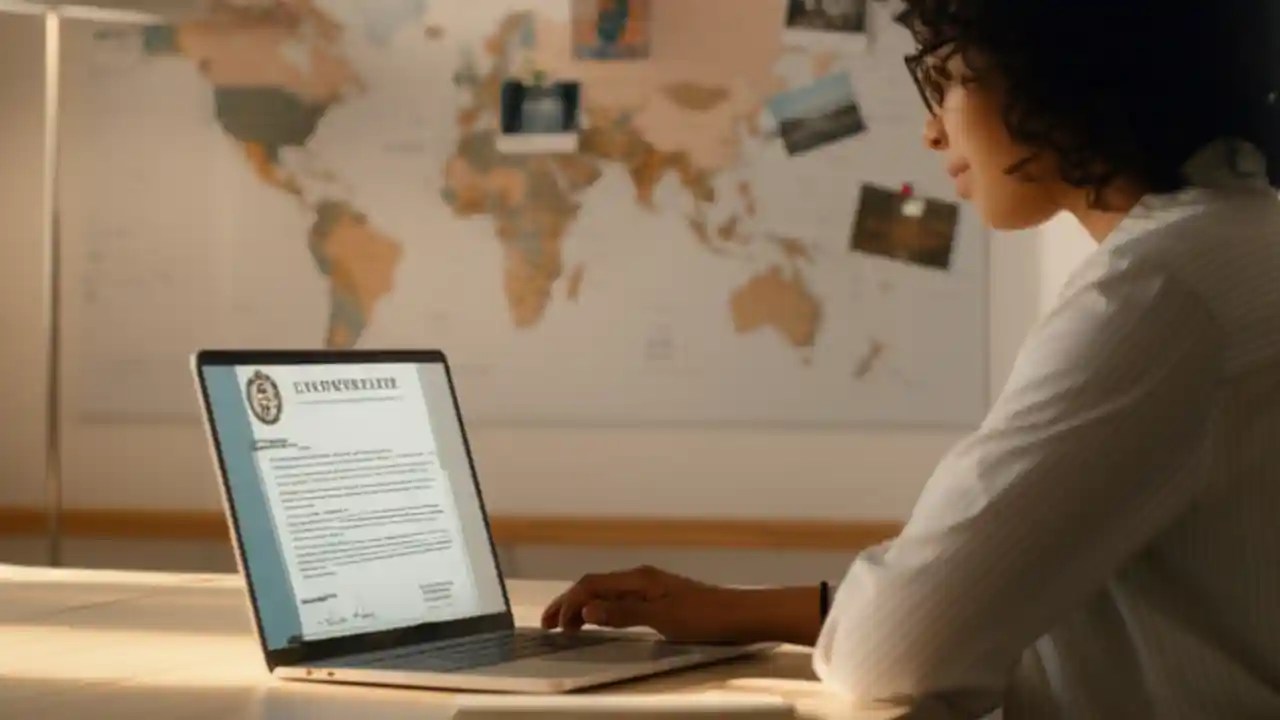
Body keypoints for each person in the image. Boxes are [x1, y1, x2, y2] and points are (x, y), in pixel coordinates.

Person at [541, 1, 1280, 717]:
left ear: (1056, 70)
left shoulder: (1157, 297)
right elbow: (995, 590)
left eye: (948, 78)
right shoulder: (1242, 246)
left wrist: (837, 613)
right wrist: (739, 610)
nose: (931, 130)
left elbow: (892, 652)